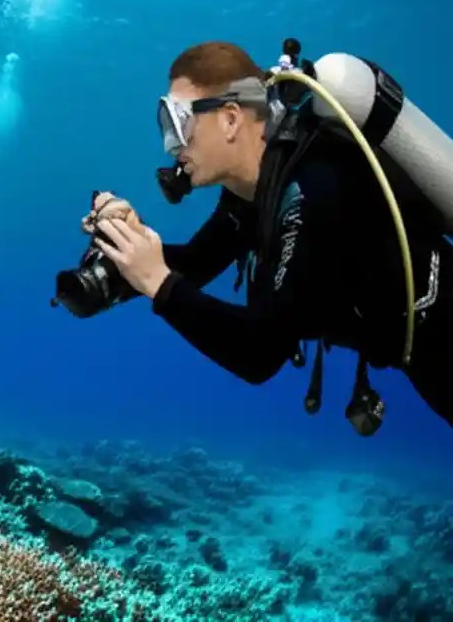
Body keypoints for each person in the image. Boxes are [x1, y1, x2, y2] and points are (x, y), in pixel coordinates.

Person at [80, 40, 453, 433]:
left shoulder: (309, 188)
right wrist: (128, 242)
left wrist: (156, 281)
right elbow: (196, 262)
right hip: (426, 356)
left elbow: (258, 352)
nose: (172, 146)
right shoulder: (255, 189)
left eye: (178, 124)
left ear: (229, 119)